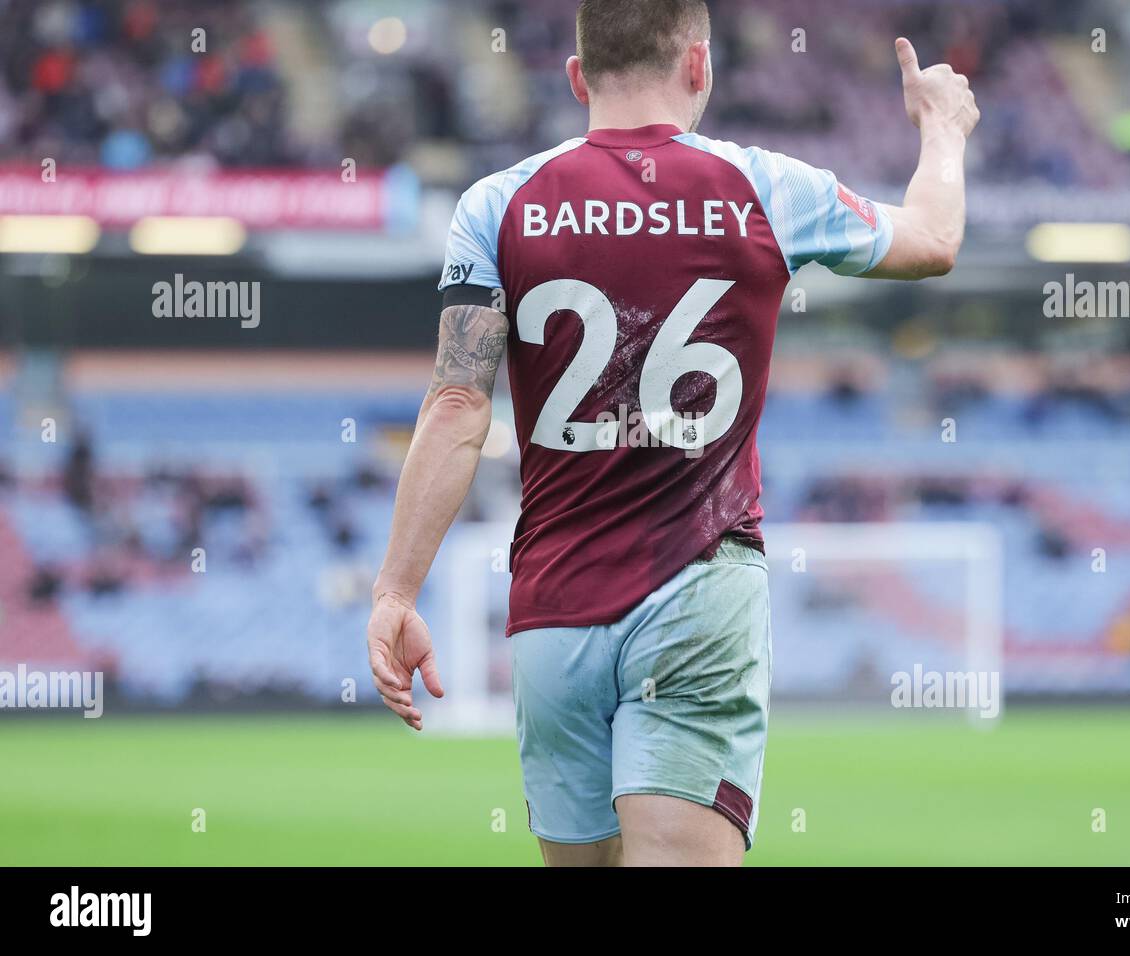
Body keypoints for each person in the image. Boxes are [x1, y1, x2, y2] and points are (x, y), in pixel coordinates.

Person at [367, 0, 978, 867]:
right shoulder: (764, 186)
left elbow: (458, 408)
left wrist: (394, 593)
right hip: (698, 592)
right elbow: (933, 239)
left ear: (578, 77)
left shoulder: (495, 206)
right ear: (700, 66)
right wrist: (943, 128)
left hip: (552, 613)